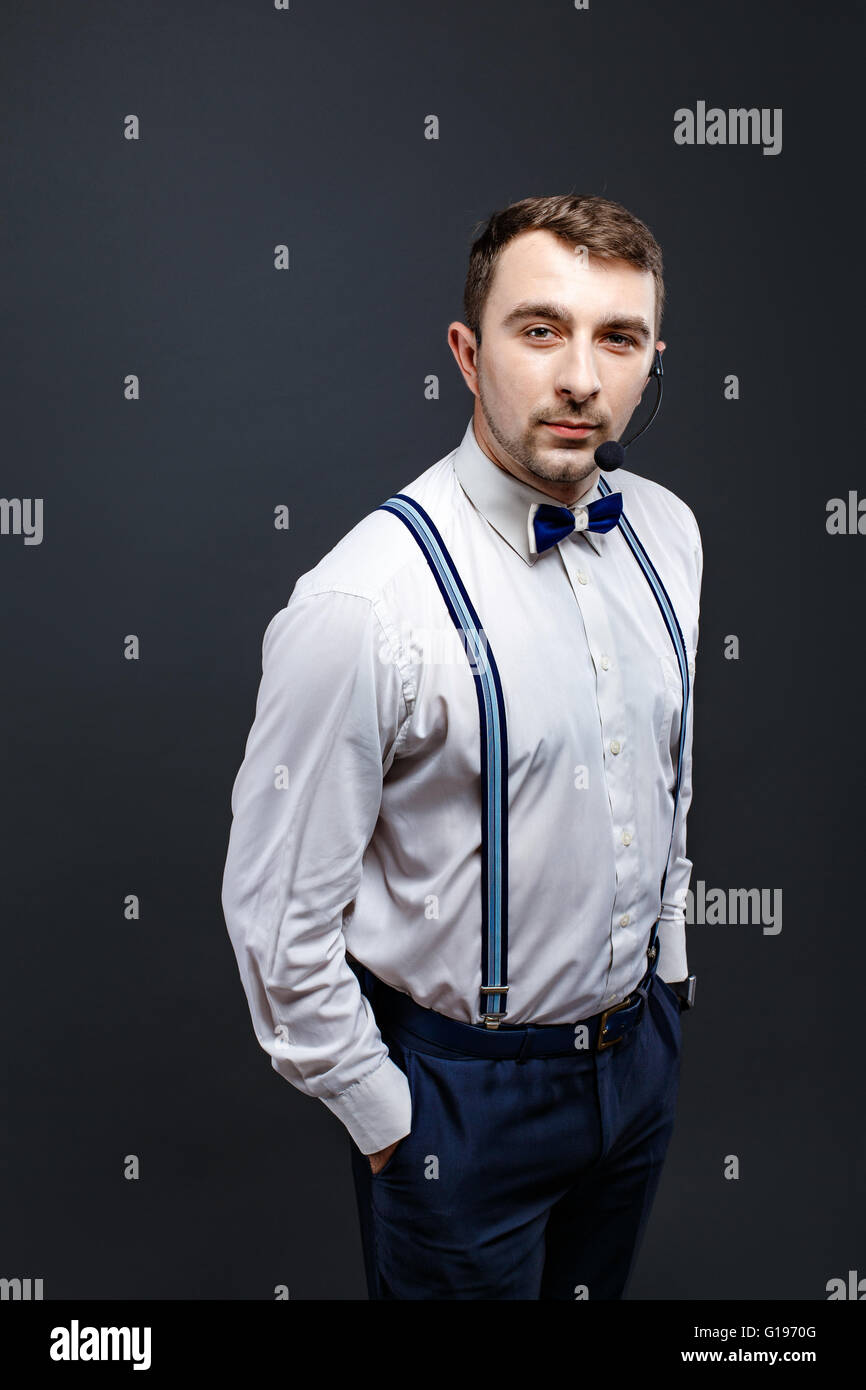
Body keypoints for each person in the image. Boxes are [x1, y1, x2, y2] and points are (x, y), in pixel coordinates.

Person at [221, 193, 703, 1300]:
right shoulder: (359, 603)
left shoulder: (668, 535)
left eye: (615, 337)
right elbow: (275, 915)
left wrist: (667, 972)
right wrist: (386, 1121)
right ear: (466, 353)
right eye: (539, 330)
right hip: (456, 1101)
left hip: (635, 1065)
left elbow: (665, 777)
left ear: (648, 361)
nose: (580, 377)